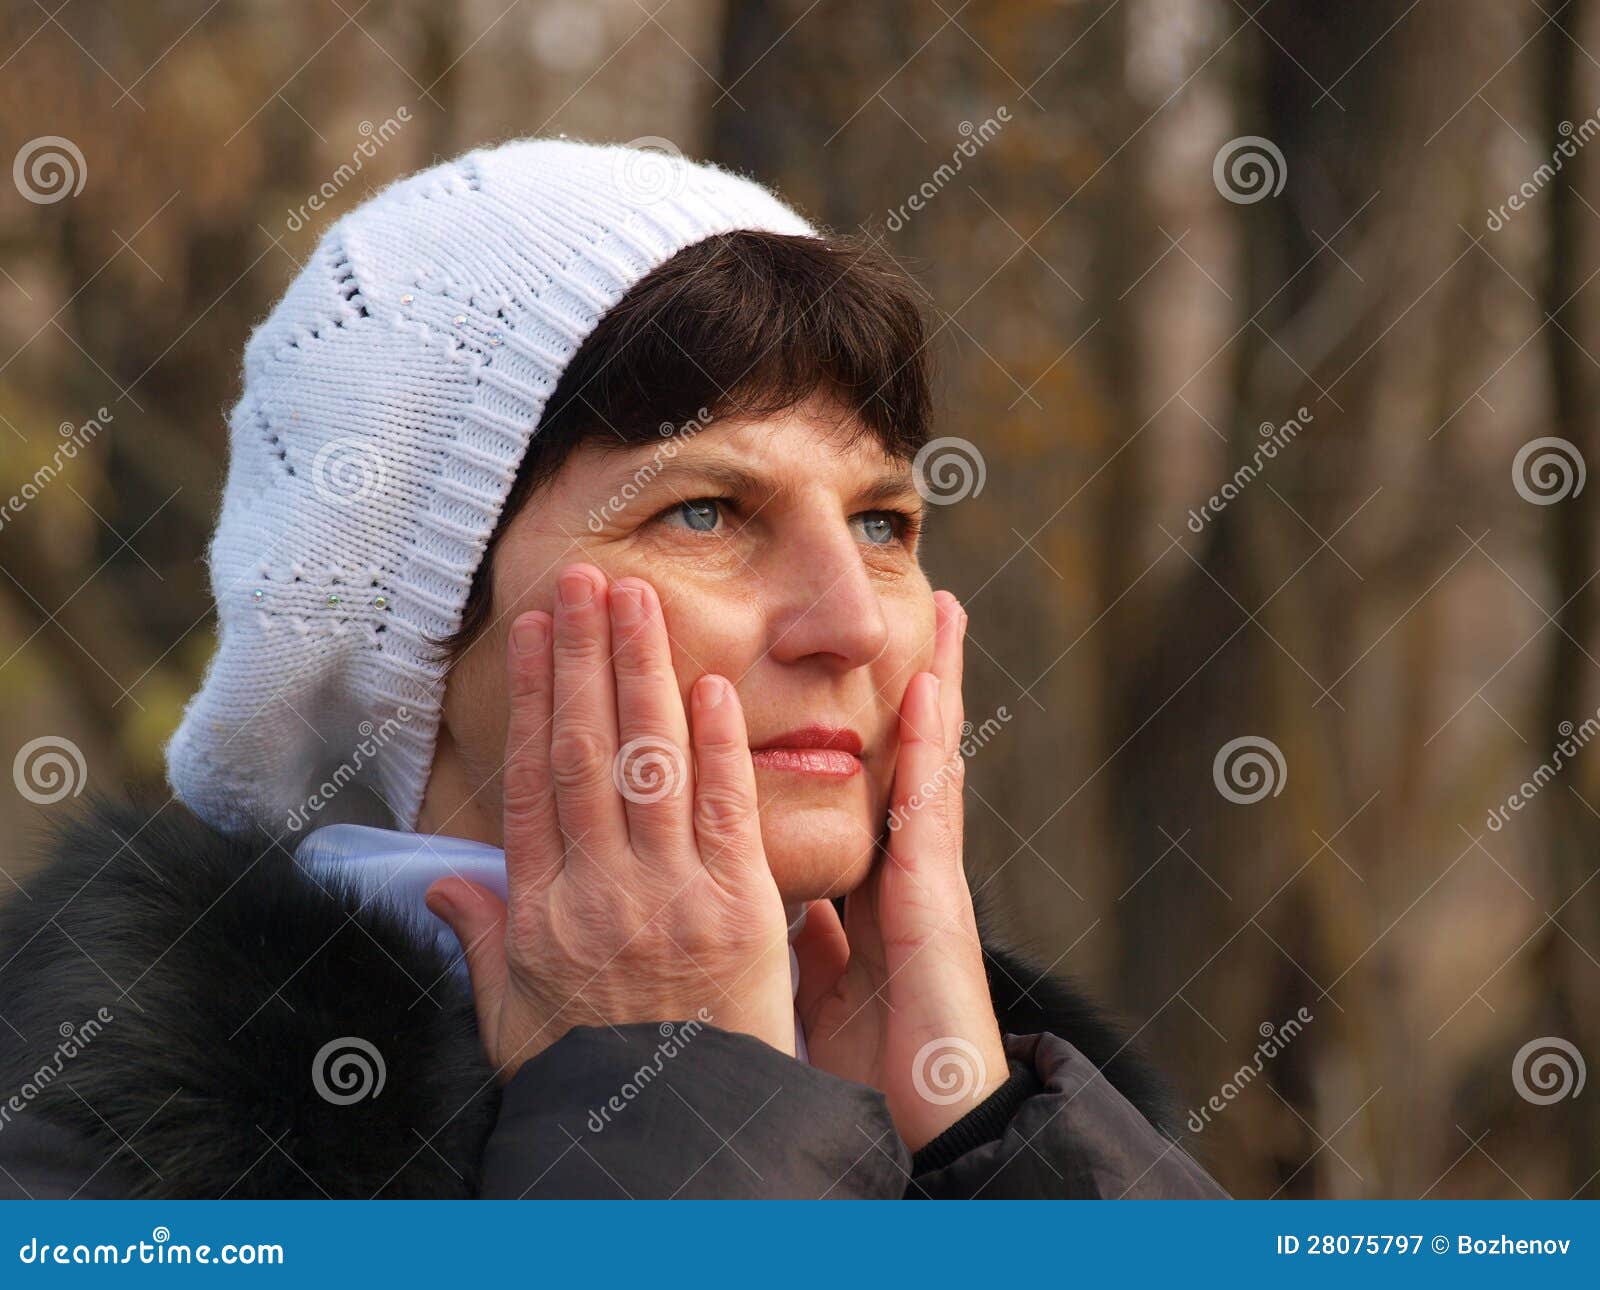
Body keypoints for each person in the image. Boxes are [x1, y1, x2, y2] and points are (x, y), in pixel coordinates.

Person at [0, 138, 1225, 1200]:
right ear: (412, 626)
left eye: (881, 523)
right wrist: (682, 1099)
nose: (851, 621)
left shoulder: (1004, 1105)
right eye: (704, 512)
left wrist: (986, 1143)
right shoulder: (99, 1140)